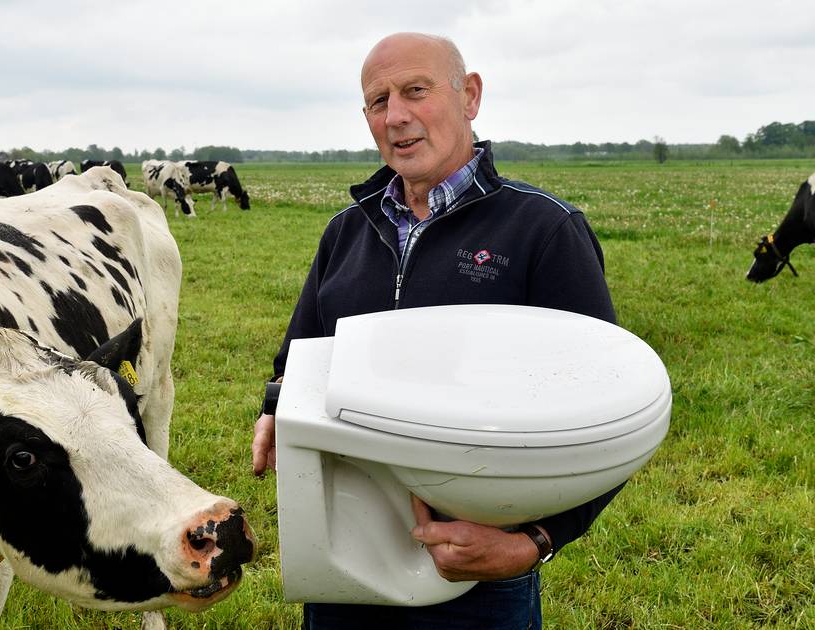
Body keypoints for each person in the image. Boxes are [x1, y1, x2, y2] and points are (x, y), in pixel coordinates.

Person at [251, 33, 620, 629]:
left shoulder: (544, 231)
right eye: (378, 101)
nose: (396, 116)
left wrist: (533, 542)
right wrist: (275, 404)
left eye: (415, 91)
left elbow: (606, 416)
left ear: (469, 96)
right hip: (344, 560)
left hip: (474, 577)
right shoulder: (346, 231)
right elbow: (299, 356)